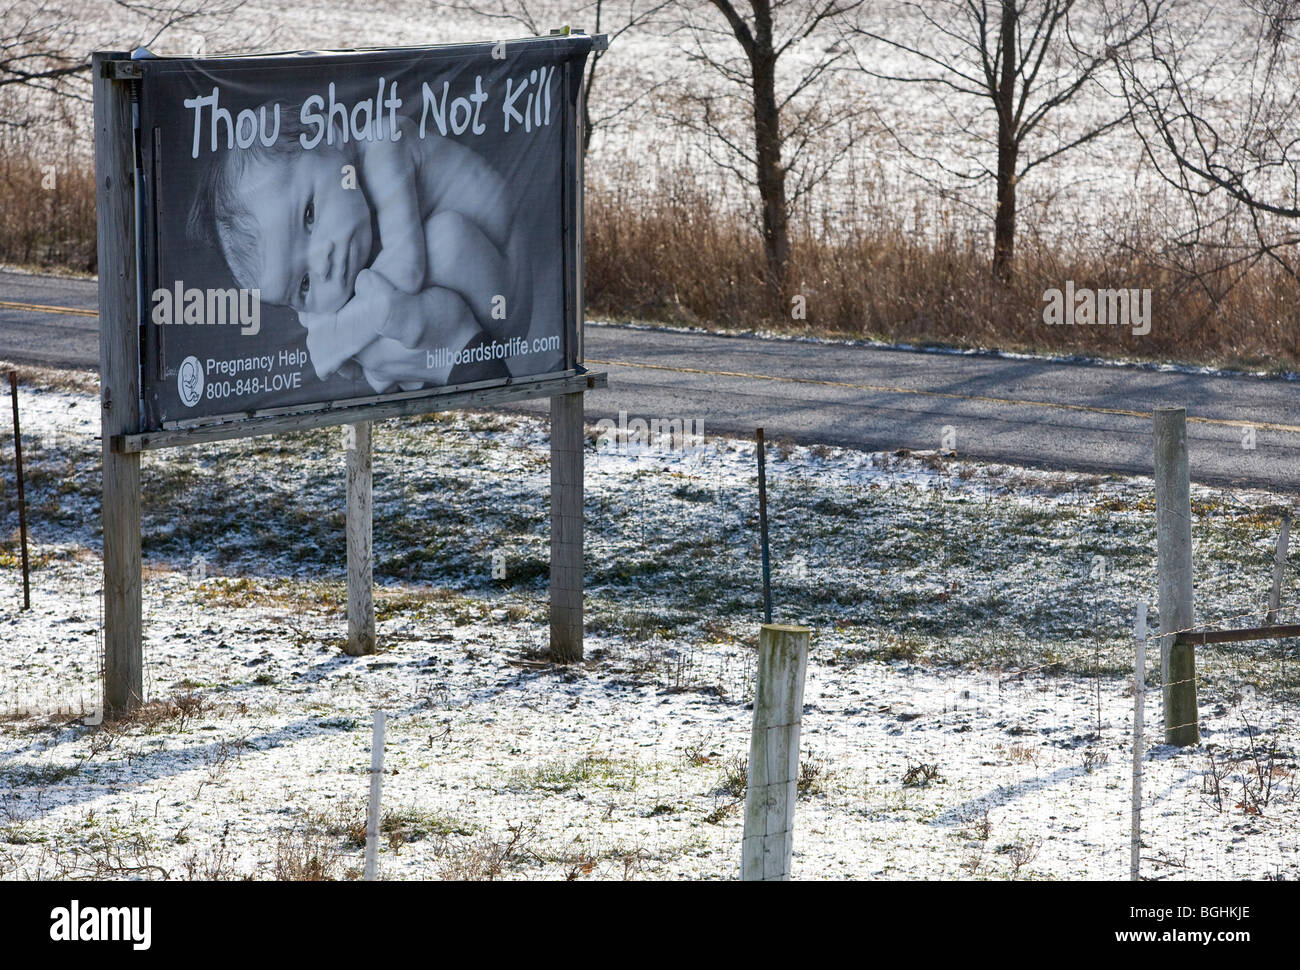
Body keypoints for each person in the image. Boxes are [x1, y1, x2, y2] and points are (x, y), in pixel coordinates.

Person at [192, 100, 527, 391]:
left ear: (330, 139)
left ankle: (405, 337)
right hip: (469, 325)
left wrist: (335, 338)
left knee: (444, 238)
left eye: (309, 216)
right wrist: (329, 327)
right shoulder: (345, 222)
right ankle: (400, 344)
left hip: (503, 284)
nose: (323, 262)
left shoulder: (384, 145)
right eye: (303, 283)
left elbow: (408, 269)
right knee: (332, 313)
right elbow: (345, 358)